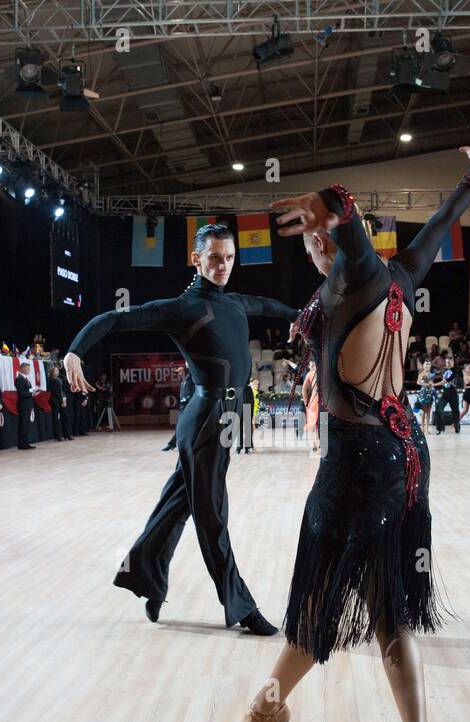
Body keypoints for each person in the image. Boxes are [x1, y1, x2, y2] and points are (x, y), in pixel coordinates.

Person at [231, 114, 470, 722]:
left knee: (318, 608)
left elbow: (340, 200)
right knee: (389, 617)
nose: (316, 244)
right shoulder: (404, 272)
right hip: (407, 452)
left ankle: (266, 704)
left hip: (358, 463)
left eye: (322, 237)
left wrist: (323, 205)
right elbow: (447, 218)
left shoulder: (356, 274)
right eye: (317, 237)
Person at [63, 222, 299, 634]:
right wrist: (74, 352)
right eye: (214, 258)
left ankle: (145, 577)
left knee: (177, 505)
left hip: (225, 420)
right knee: (212, 516)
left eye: (229, 258)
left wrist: (303, 318)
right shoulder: (183, 308)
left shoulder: (236, 303)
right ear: (196, 259)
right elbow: (113, 319)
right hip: (205, 421)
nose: (223, 265)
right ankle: (241, 607)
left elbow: (271, 305)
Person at [163, 368, 195, 452]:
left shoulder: (190, 379)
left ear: (184, 371)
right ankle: (172, 444)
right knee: (179, 425)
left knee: (187, 426)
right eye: (178, 372)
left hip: (189, 405)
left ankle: (174, 444)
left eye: (180, 372)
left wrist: (189, 400)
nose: (179, 374)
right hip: (183, 406)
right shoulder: (183, 381)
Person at [432, 367, 462, 434]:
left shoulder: (454, 371)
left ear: (452, 362)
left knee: (455, 411)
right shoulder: (445, 371)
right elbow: (441, 378)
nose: (448, 363)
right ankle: (440, 428)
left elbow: (445, 381)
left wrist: (434, 384)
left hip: (453, 393)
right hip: (445, 394)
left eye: (449, 362)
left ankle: (457, 427)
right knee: (438, 407)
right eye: (447, 362)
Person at [15, 363, 36, 449]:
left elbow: (28, 390)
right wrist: (31, 394)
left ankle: (26, 442)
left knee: (27, 424)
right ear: (22, 368)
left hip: (28, 404)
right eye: (27, 368)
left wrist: (32, 393)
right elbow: (21, 393)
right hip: (23, 405)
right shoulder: (19, 379)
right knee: (23, 424)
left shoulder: (27, 379)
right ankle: (22, 443)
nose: (29, 370)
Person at [413, 360, 437, 430]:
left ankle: (427, 428)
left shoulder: (432, 374)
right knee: (423, 411)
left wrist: (432, 386)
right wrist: (425, 384)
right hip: (423, 393)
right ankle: (423, 428)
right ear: (423, 366)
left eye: (429, 364)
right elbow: (418, 382)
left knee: (429, 411)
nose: (428, 366)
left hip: (430, 392)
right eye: (426, 364)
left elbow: (432, 383)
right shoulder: (421, 374)